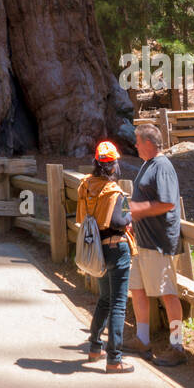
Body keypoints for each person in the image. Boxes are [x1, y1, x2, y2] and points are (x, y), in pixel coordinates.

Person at [125, 122, 185, 367]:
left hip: (158, 242)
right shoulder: (148, 164)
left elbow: (168, 203)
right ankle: (142, 339)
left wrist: (137, 210)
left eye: (138, 142)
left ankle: (177, 345)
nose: (136, 145)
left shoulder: (163, 166)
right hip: (143, 242)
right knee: (137, 289)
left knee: (167, 293)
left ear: (149, 143)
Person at [75, 141, 136, 374]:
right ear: (112, 166)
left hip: (97, 250)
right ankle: (114, 359)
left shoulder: (86, 185)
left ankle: (94, 347)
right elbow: (120, 222)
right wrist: (129, 219)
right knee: (119, 305)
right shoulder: (115, 191)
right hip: (116, 249)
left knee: (104, 299)